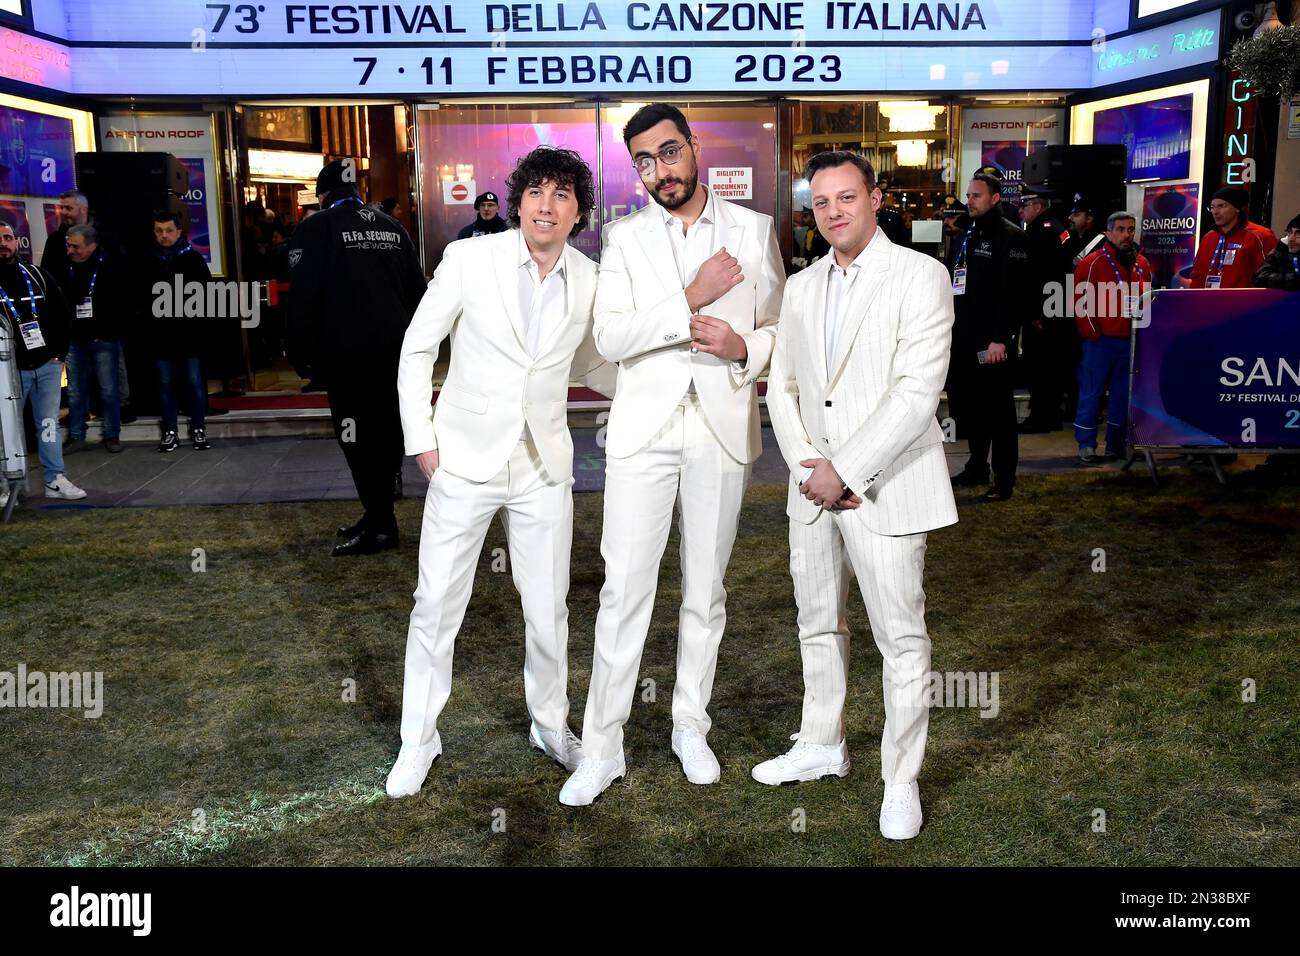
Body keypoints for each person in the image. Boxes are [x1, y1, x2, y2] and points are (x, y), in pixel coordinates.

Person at [559, 103, 784, 807]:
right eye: (645, 162)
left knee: (706, 590)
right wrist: (691, 298)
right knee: (624, 589)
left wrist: (746, 346)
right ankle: (603, 746)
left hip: (721, 427)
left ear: (694, 148)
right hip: (643, 432)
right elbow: (614, 339)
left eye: (669, 153)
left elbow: (783, 327)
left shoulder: (754, 231)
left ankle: (691, 723)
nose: (661, 171)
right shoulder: (622, 239)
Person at [384, 147, 615, 799]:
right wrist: (422, 440)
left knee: (549, 610)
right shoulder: (470, 259)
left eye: (563, 195)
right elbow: (417, 347)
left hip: (543, 465)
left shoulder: (590, 278)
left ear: (578, 212)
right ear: (517, 201)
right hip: (463, 459)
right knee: (435, 605)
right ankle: (417, 738)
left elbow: (592, 366)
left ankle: (550, 725)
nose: (547, 204)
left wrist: (660, 385)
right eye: (537, 191)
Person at [755, 150, 957, 841]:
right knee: (816, 621)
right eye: (821, 203)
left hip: (886, 487)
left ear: (875, 197)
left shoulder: (922, 277)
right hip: (811, 486)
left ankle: (900, 779)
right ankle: (822, 742)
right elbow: (781, 385)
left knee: (900, 639)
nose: (834, 212)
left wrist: (845, 471)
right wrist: (808, 463)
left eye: (846, 198)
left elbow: (915, 394)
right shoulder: (803, 286)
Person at [287, 160, 427, 556]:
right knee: (384, 436)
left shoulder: (314, 229)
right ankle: (377, 513)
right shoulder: (391, 227)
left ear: (323, 194)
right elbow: (417, 294)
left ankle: (381, 524)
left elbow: (302, 299)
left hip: (347, 357)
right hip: (394, 354)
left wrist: (301, 355)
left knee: (358, 441)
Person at [945, 173, 1031, 502]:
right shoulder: (966, 232)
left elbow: (1015, 294)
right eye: (969, 194)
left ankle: (1004, 479)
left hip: (992, 343)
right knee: (972, 408)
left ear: (995, 198)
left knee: (999, 412)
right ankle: (977, 466)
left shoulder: (1010, 236)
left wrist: (1000, 338)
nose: (970, 200)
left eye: (977, 195)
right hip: (963, 339)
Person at [0, 221, 85, 500]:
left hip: (46, 366)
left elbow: (62, 314)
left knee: (48, 424)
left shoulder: (36, 275)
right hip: (8, 373)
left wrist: (58, 355)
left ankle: (54, 479)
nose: (4, 243)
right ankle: (5, 483)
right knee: (5, 429)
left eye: (8, 238)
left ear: (16, 241)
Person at [1072, 212, 1152, 464]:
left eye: (1131, 229)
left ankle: (1115, 445)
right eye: (1120, 229)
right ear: (1108, 233)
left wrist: (1144, 333)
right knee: (1091, 392)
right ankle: (1086, 445)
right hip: (1101, 342)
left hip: (1131, 342)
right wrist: (1093, 333)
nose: (1127, 234)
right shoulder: (1093, 262)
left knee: (1123, 395)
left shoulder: (1142, 264)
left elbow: (1147, 301)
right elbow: (1079, 303)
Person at [146, 211, 214, 454]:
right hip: (161, 335)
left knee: (194, 383)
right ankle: (170, 431)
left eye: (168, 230)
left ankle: (199, 428)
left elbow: (207, 297)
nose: (164, 235)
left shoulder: (193, 259)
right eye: (159, 231)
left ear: (178, 231)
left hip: (189, 334)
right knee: (165, 385)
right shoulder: (149, 261)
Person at [61, 224, 127, 454]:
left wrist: (108, 331)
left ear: (91, 245)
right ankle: (76, 435)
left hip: (103, 338)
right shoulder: (65, 265)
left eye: (75, 246)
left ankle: (112, 434)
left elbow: (121, 300)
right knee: (75, 391)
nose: (71, 250)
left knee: (108, 389)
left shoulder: (109, 264)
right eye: (68, 245)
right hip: (75, 339)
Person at [1017, 190, 1074, 433]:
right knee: (1051, 366)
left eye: (1025, 206)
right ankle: (1049, 415)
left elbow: (1042, 276)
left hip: (1047, 310)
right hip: (1058, 306)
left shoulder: (1044, 232)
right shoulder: (1057, 227)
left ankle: (1041, 417)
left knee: (1041, 367)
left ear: (1038, 207)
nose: (1021, 211)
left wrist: (1038, 314)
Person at [1190, 186, 1278, 289]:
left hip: (1244, 302)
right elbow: (1197, 274)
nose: (1215, 212)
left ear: (1237, 208)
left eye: (1221, 206)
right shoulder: (1208, 237)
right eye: (1212, 207)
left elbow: (1271, 276)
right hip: (1208, 301)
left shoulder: (1261, 236)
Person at [1254, 214, 1300, 291]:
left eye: (1298, 233)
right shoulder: (1282, 249)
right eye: (1290, 232)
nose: (1291, 238)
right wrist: (1292, 279)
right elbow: (1259, 277)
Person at [1064, 198, 1104, 269]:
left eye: (1076, 215)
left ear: (1089, 219)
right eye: (1070, 214)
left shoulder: (1103, 241)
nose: (1069, 218)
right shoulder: (1067, 238)